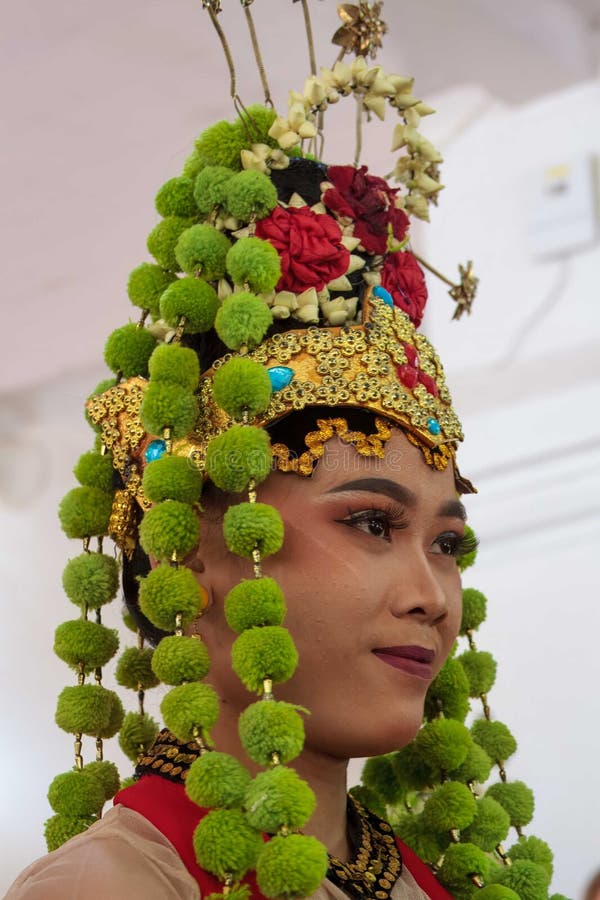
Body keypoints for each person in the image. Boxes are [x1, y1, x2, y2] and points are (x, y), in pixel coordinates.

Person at [5, 4, 565, 898]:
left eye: (448, 543)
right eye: (373, 522)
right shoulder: (116, 886)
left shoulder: (432, 879)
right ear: (189, 553)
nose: (431, 597)